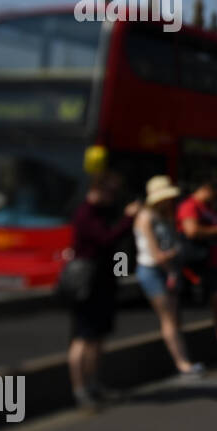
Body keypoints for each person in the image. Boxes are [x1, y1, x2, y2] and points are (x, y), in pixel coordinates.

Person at [67, 171, 141, 407]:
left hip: (101, 284)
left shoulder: (100, 212)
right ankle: (80, 389)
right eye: (110, 193)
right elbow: (107, 239)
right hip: (86, 285)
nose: (112, 198)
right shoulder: (86, 214)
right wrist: (128, 219)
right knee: (82, 338)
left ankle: (93, 384)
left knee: (97, 338)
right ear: (97, 190)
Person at [135, 175, 204, 378]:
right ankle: (182, 363)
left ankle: (183, 360)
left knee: (174, 317)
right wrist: (173, 256)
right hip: (153, 270)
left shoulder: (165, 215)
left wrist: (173, 267)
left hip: (169, 270)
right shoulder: (145, 217)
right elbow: (157, 253)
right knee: (169, 319)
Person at [177, 178, 217, 363]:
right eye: (212, 191)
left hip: (214, 262)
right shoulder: (190, 206)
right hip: (200, 264)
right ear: (204, 188)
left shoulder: (207, 208)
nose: (214, 196)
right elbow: (191, 231)